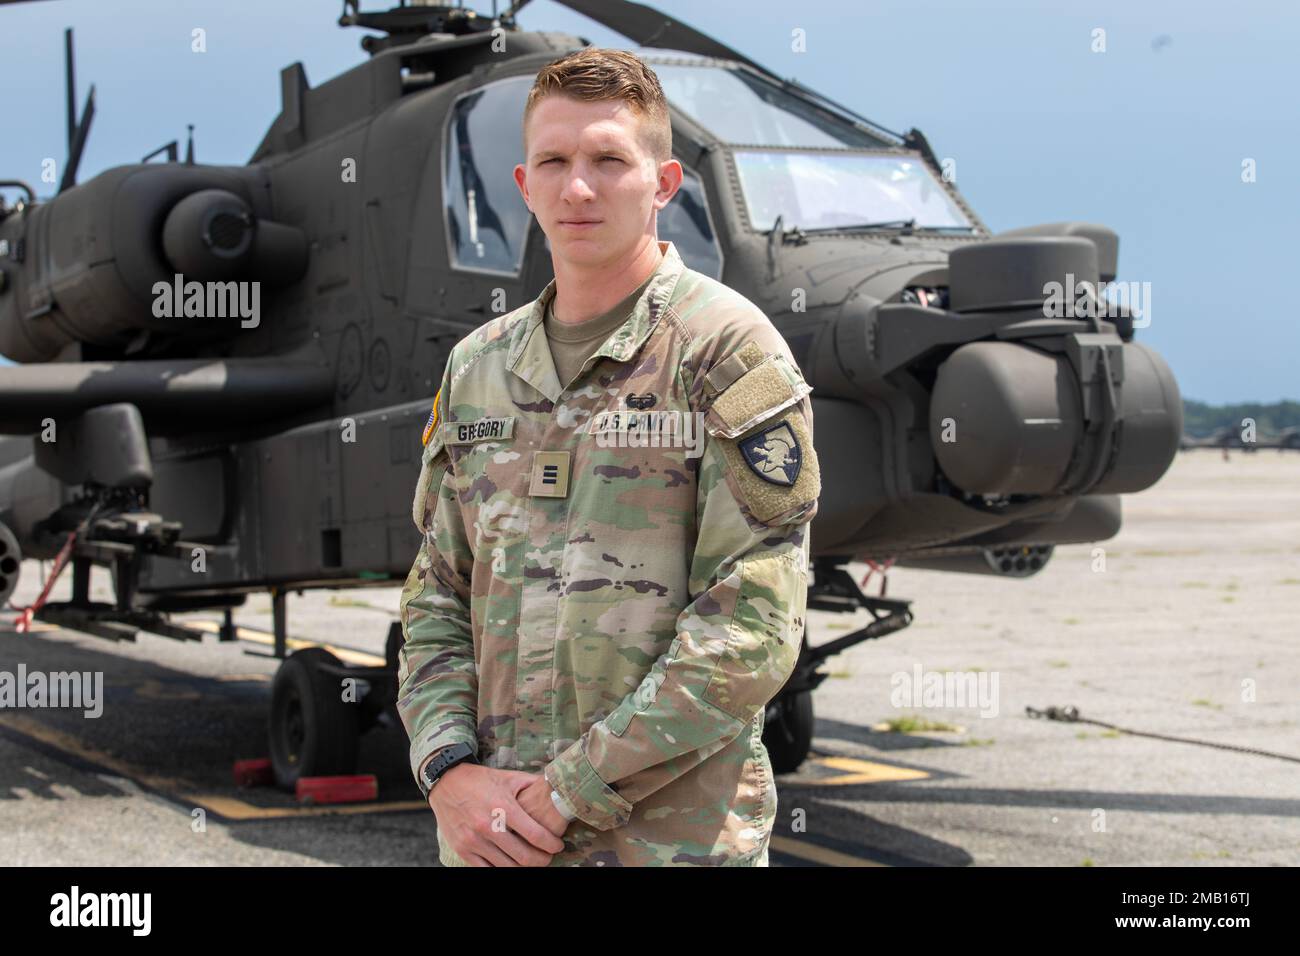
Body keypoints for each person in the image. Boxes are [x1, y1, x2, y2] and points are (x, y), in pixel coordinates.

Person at [397, 46, 820, 867]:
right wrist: (447, 772)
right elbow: (436, 596)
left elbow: (753, 625)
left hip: (666, 849)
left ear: (663, 185)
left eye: (607, 160)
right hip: (491, 845)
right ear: (524, 186)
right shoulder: (479, 367)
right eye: (553, 162)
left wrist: (567, 795)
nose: (577, 188)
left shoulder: (723, 351)